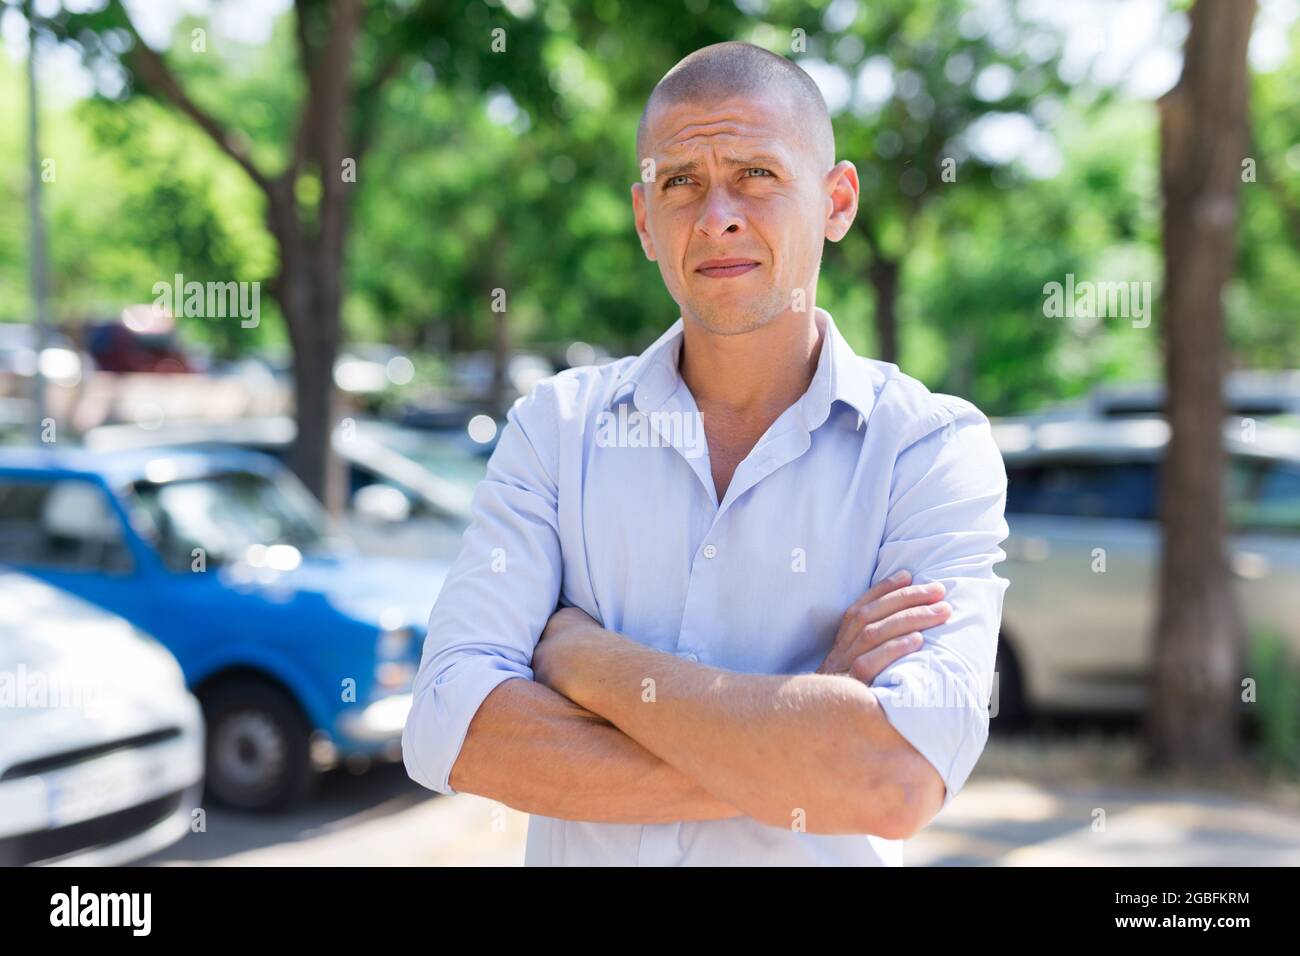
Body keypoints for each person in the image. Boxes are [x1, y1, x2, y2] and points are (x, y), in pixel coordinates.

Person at [403, 40, 1010, 866]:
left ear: (837, 202)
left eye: (757, 173)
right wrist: (802, 724)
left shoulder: (929, 450)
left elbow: (893, 779)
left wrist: (583, 658)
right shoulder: (556, 428)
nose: (717, 213)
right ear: (644, 219)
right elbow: (450, 726)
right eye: (679, 181)